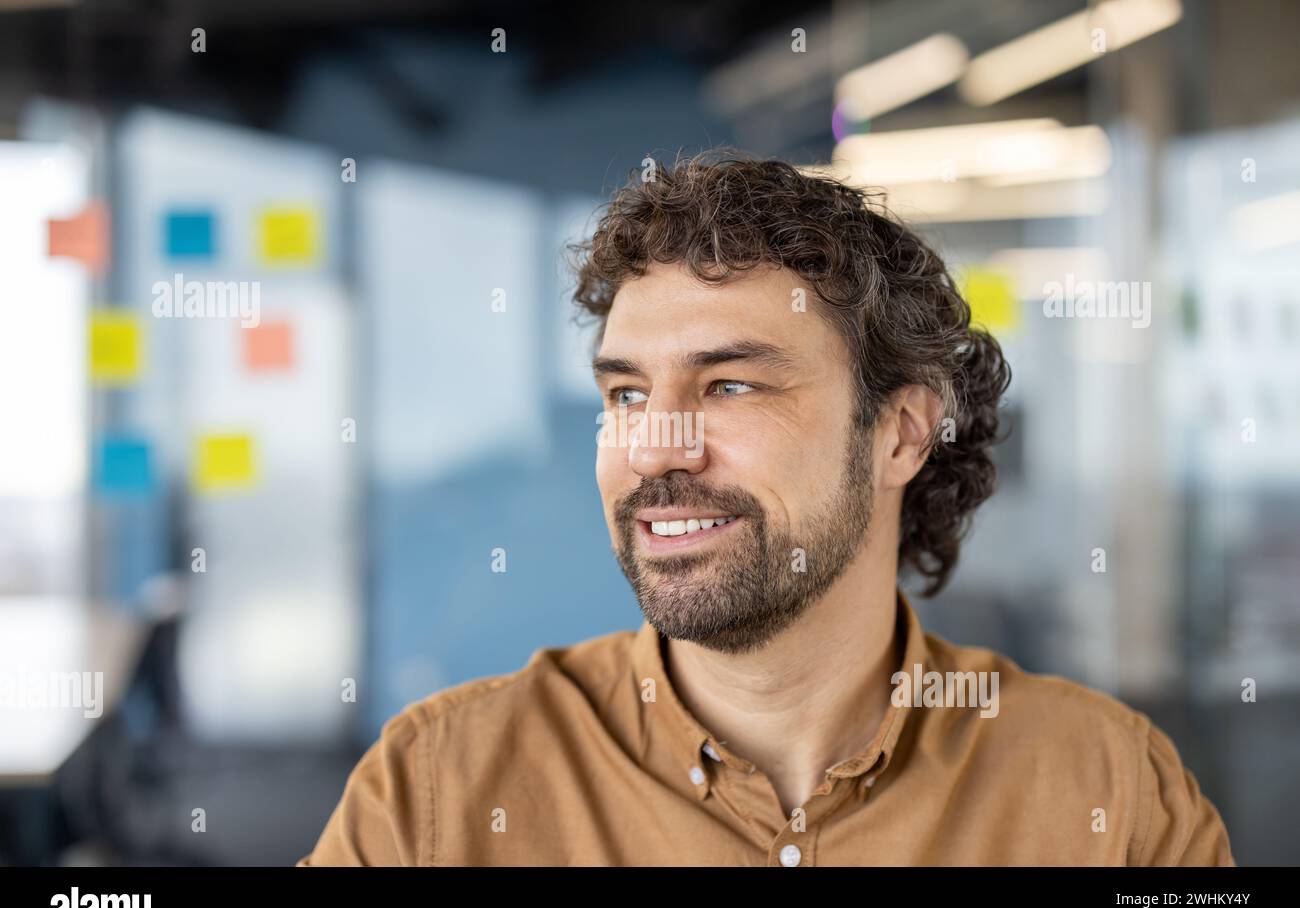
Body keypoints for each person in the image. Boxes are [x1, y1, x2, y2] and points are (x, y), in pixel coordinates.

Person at [298, 150, 1233, 866]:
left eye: (731, 386)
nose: (655, 448)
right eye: (626, 395)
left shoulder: (1109, 795)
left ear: (903, 433)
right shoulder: (434, 797)